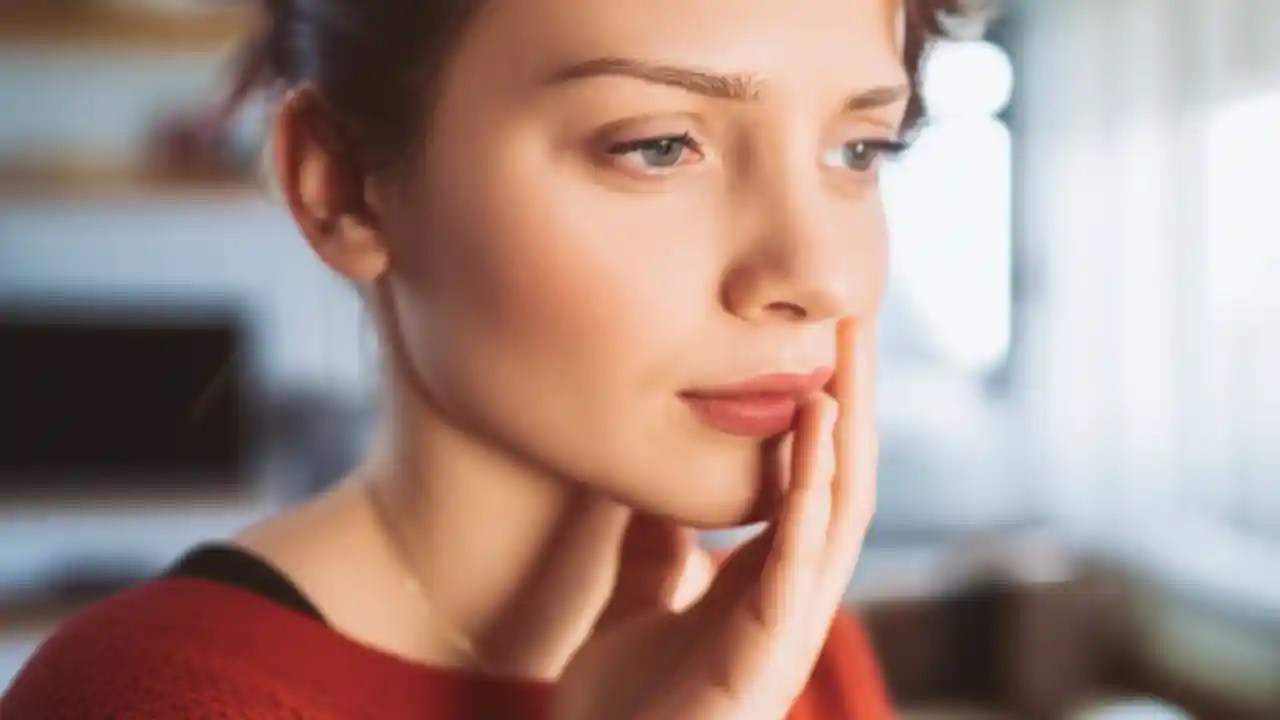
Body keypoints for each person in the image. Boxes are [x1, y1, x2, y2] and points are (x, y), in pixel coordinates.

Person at [2, 0, 970, 717]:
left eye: (857, 151)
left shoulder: (802, 661)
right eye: (659, 146)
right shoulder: (148, 697)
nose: (816, 274)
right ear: (341, 186)